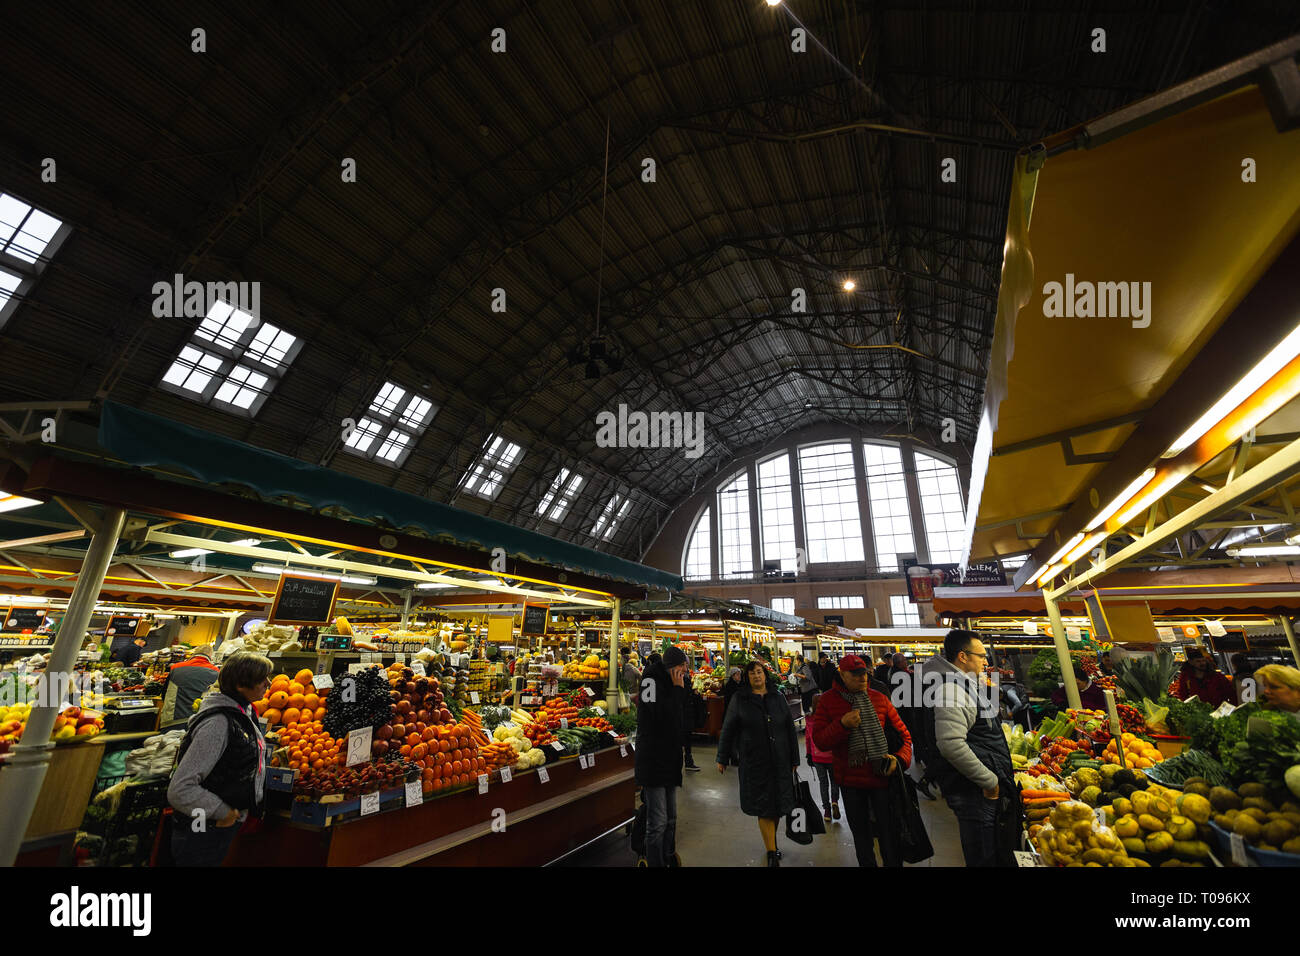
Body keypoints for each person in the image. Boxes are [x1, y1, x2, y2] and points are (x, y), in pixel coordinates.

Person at [166, 650, 272, 866]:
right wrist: (224, 813)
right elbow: (180, 789)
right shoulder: (218, 723)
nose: (268, 683)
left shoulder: (243, 714)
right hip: (203, 828)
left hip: (217, 826)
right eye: (262, 679)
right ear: (241, 685)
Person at [922, 629, 1015, 867]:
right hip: (973, 791)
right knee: (983, 856)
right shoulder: (951, 689)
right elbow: (951, 744)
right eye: (981, 656)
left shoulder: (963, 683)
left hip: (975, 786)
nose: (986, 661)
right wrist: (989, 781)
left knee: (988, 851)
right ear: (963, 657)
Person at [812, 655, 912, 867]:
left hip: (882, 779)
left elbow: (905, 736)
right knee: (862, 837)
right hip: (851, 782)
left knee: (889, 834)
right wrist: (842, 725)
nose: (862, 679)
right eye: (855, 675)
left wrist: (899, 760)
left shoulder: (879, 698)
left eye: (864, 674)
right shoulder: (828, 701)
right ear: (842, 675)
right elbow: (819, 741)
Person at [716, 659, 800, 867]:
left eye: (760, 672)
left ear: (765, 675)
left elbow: (789, 728)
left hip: (780, 758)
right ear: (747, 677)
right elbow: (728, 728)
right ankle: (772, 851)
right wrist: (722, 756)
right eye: (752, 673)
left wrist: (795, 758)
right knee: (763, 806)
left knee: (778, 805)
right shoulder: (739, 699)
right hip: (754, 760)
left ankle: (773, 843)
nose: (756, 676)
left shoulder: (778, 697)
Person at [635, 646, 688, 866]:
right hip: (653, 760)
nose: (685, 670)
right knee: (658, 821)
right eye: (683, 667)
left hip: (670, 758)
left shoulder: (675, 682)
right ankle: (654, 860)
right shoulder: (650, 680)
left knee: (671, 818)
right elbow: (657, 716)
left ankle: (668, 856)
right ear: (672, 667)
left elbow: (682, 716)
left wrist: (681, 690)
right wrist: (677, 690)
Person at [158, 644, 220, 730]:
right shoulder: (216, 672)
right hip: (199, 721)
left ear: (193, 654)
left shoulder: (176, 668)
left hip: (172, 720)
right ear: (210, 656)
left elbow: (164, 694)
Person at [803, 695, 839, 822]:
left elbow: (808, 739)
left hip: (817, 756)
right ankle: (835, 801)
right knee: (835, 781)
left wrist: (809, 754)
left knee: (823, 783)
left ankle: (827, 811)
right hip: (831, 756)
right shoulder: (829, 718)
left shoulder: (809, 719)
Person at [1172, 648, 1236, 707]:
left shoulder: (1217, 676)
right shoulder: (1186, 678)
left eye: (1203, 661)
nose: (1202, 663)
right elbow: (1183, 695)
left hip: (1219, 710)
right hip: (1199, 713)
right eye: (1198, 661)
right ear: (1191, 662)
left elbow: (1230, 692)